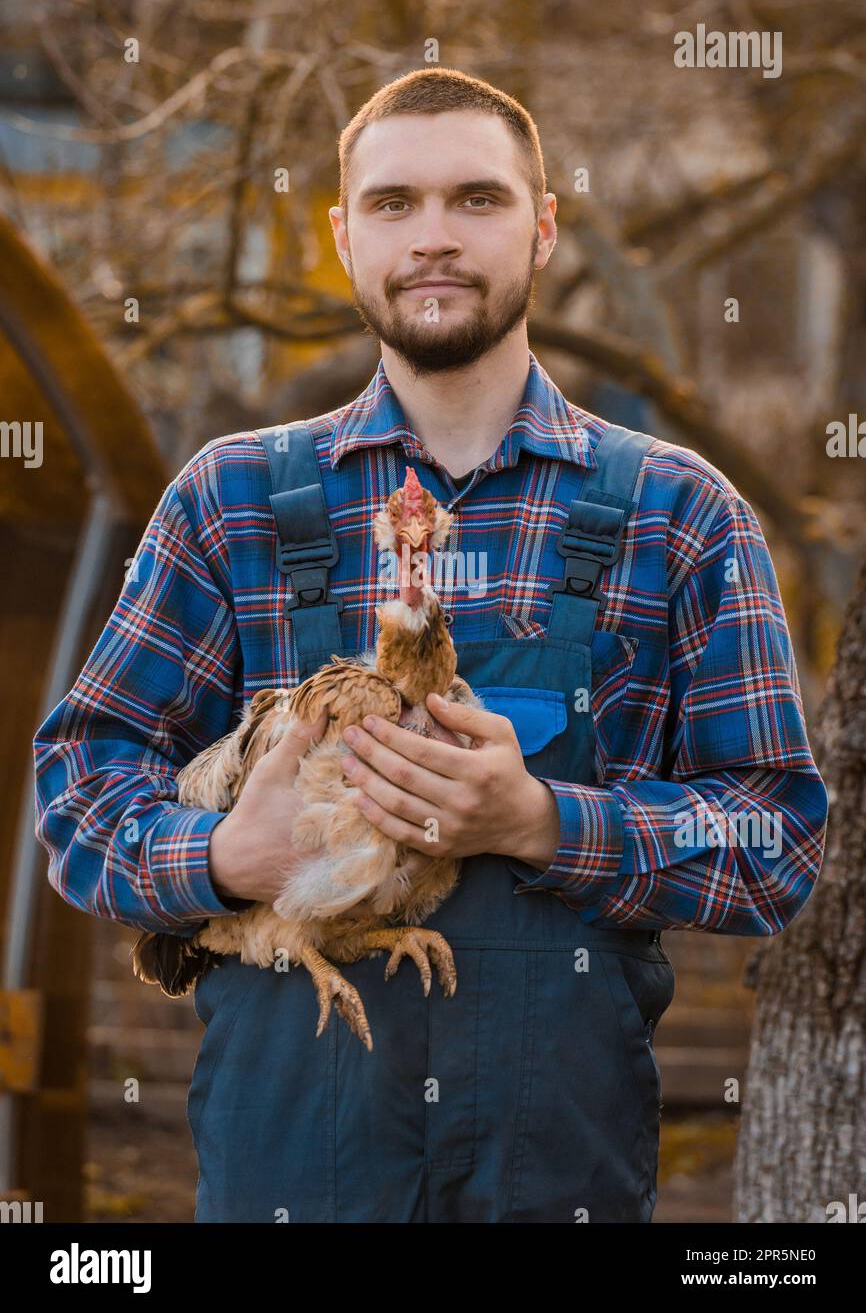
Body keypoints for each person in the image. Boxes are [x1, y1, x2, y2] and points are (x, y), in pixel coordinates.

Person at [33, 67, 828, 1224]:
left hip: (553, 1171)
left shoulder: (678, 511)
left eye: (478, 199)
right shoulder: (233, 500)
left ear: (543, 227)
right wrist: (221, 858)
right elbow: (76, 784)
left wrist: (545, 822)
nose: (435, 239)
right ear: (343, 232)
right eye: (395, 203)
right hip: (288, 1168)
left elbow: (776, 836)